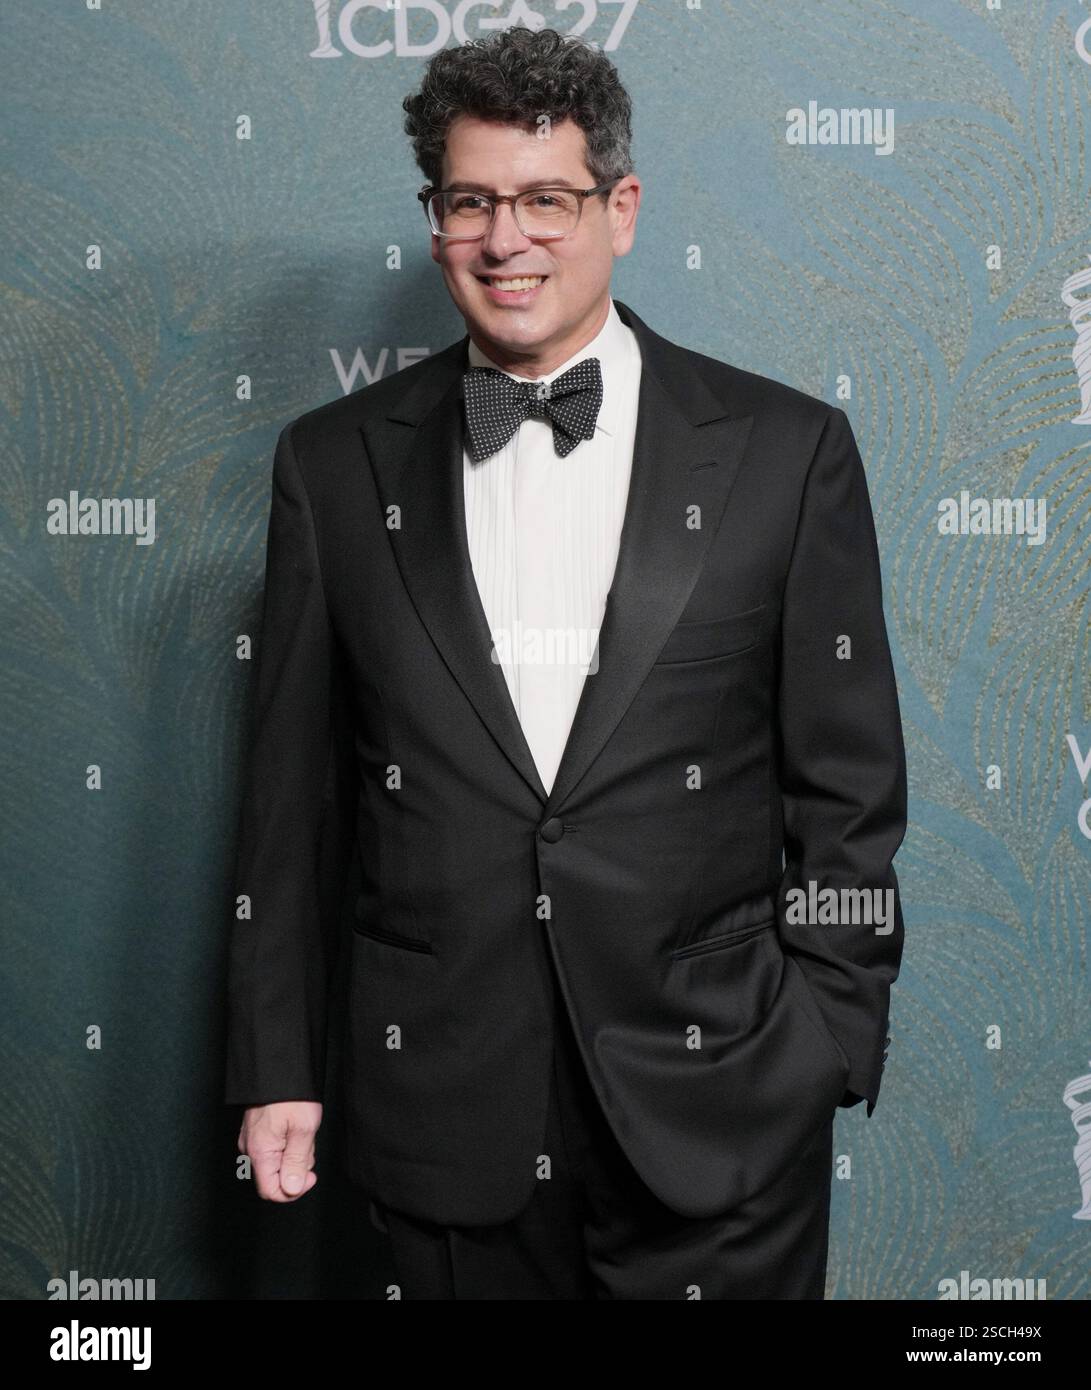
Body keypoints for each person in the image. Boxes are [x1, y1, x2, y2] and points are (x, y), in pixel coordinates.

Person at [225, 25, 907, 1300]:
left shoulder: (785, 451)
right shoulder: (330, 466)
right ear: (435, 220)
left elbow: (848, 799)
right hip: (440, 1114)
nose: (506, 240)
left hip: (718, 1109)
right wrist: (278, 1068)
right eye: (469, 202)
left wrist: (827, 1033)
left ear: (620, 210)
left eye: (546, 199)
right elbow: (289, 813)